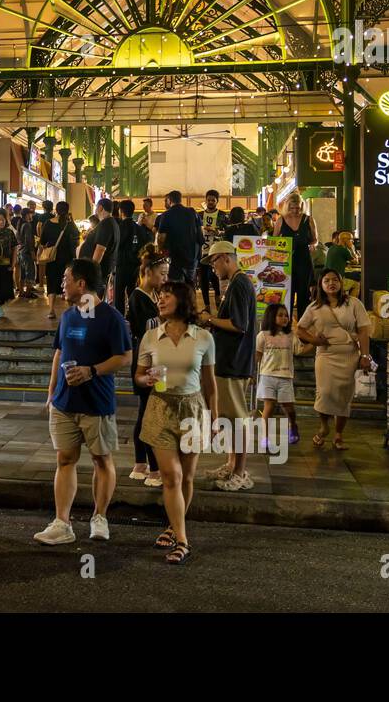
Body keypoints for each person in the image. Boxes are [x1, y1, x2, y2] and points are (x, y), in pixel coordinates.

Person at [35, 258, 131, 546]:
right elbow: (59, 353)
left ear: (82, 283)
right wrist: (52, 392)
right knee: (65, 459)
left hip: (97, 402)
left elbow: (125, 357)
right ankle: (62, 522)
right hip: (65, 403)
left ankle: (99, 517)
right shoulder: (68, 316)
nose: (62, 283)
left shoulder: (110, 318)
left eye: (66, 278)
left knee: (102, 459)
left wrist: (92, 371)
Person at [135, 281, 217, 566]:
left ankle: (173, 527)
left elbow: (210, 384)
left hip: (193, 408)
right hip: (160, 407)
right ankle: (183, 541)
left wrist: (214, 417)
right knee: (172, 476)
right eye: (159, 296)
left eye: (166, 296)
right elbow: (139, 375)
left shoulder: (204, 337)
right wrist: (145, 380)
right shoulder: (149, 337)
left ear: (182, 301)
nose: (160, 300)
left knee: (188, 477)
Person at [197, 240, 257, 492]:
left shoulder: (240, 283)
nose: (213, 268)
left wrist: (210, 319)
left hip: (235, 361)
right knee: (229, 418)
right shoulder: (236, 283)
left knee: (238, 419)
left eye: (213, 262)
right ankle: (232, 464)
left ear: (225, 258)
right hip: (228, 360)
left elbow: (238, 324)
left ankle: (240, 471)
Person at [296, 268, 372, 451]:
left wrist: (365, 355)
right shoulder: (314, 307)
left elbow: (363, 331)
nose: (331, 283)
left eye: (335, 280)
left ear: (341, 283)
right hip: (325, 355)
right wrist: (314, 340)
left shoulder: (354, 304)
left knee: (344, 396)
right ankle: (324, 426)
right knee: (325, 392)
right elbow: (300, 329)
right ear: (321, 285)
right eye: (327, 280)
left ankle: (338, 433)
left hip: (349, 355)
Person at [126, 256, 165, 487]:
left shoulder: (154, 295)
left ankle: (141, 463)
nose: (164, 278)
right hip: (146, 360)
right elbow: (145, 328)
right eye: (162, 273)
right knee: (149, 413)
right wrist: (165, 317)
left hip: (156, 359)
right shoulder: (137, 296)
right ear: (148, 272)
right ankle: (153, 466)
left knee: (147, 411)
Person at [255, 303, 303, 448]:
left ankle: (292, 425)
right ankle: (265, 437)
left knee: (288, 408)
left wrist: (317, 343)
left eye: (286, 315)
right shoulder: (262, 335)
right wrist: (250, 373)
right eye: (280, 315)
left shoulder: (291, 335)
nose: (284, 318)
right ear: (271, 316)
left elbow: (299, 350)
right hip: (267, 375)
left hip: (285, 376)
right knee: (268, 407)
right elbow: (257, 355)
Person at [274, 193, 318, 318]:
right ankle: (284, 323)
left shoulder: (308, 219)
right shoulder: (281, 220)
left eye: (297, 208)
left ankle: (303, 324)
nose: (295, 211)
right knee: (287, 292)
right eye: (292, 208)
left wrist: (313, 245)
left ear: (302, 206)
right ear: (287, 207)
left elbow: (315, 239)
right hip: (285, 260)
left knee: (304, 294)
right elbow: (274, 240)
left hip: (304, 260)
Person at [40, 201, 78, 320]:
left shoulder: (48, 223)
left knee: (51, 282)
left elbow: (42, 241)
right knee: (68, 283)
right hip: (67, 259)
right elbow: (76, 241)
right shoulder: (70, 225)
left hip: (52, 259)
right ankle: (71, 310)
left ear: (55, 210)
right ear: (67, 211)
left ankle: (51, 310)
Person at [114, 199, 151, 318]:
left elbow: (117, 245)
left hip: (121, 265)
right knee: (132, 291)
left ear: (121, 211)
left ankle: (120, 317)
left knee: (118, 293)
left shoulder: (119, 227)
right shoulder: (139, 228)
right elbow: (145, 245)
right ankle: (132, 316)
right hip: (135, 266)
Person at [156, 191, 202, 283]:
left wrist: (160, 251)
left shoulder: (166, 215)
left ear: (169, 200)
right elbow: (201, 233)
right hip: (191, 257)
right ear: (180, 199)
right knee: (190, 286)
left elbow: (161, 237)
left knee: (176, 287)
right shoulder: (192, 212)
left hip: (174, 258)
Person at [196, 190, 228, 310]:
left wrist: (217, 231)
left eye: (213, 200)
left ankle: (218, 300)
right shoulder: (199, 215)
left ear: (217, 201)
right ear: (206, 200)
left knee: (216, 277)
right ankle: (207, 306)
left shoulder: (222, 215)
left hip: (217, 252)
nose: (210, 202)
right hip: (202, 251)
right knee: (203, 279)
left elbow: (227, 232)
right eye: (208, 200)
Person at [87, 198, 119, 303]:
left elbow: (100, 249)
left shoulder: (106, 224)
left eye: (96, 207)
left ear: (100, 208)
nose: (96, 210)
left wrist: (91, 269)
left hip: (99, 272)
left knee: (92, 303)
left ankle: (90, 319)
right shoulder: (112, 223)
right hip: (105, 270)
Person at [16, 205, 38, 299]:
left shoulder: (20, 224)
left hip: (21, 251)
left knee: (23, 272)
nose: (32, 216)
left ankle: (21, 291)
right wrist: (33, 252)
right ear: (27, 215)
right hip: (27, 252)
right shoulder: (27, 225)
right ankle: (28, 292)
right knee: (30, 272)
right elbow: (29, 240)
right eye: (30, 214)